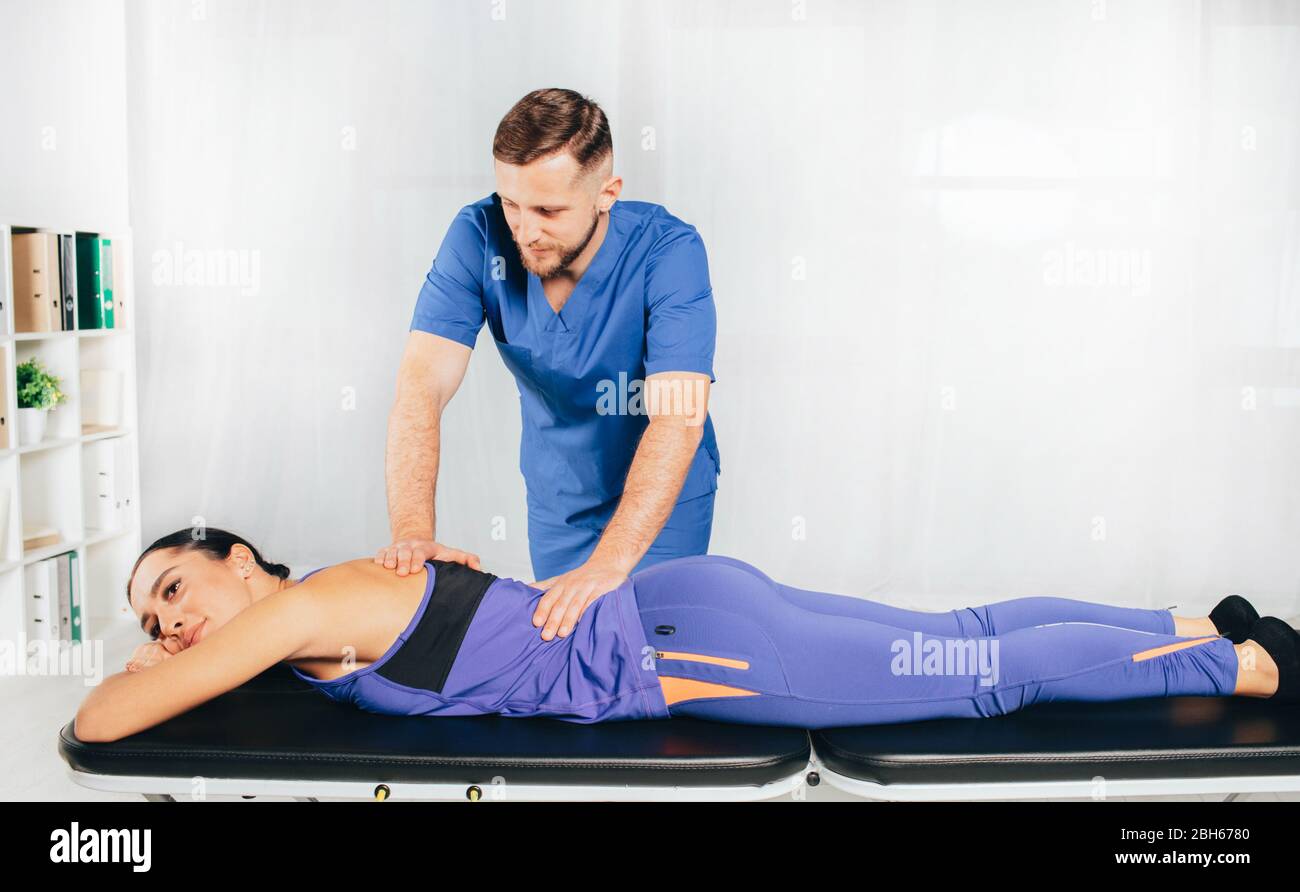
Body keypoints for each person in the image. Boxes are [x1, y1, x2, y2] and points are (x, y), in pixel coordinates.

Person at [73, 527, 1298, 744]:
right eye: (152, 616)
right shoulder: (323, 610)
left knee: (974, 678)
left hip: (694, 657)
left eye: (174, 588)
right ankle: (1181, 620)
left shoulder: (295, 606)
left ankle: (1227, 664)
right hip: (686, 604)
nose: (170, 620)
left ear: (242, 563)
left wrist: (142, 669)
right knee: (959, 631)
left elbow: (99, 720)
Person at [377, 87, 721, 642]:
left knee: (647, 653)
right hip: (559, 496)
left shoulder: (670, 251)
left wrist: (610, 565)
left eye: (549, 210)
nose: (524, 230)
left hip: (663, 500)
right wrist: (414, 534)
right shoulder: (477, 235)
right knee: (566, 648)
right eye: (511, 203)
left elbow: (678, 417)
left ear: (607, 193)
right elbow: (421, 386)